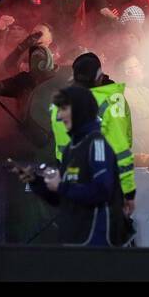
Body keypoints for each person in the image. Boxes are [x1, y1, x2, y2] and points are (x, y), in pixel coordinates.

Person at [22, 85, 129, 247]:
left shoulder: (96, 144)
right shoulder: (73, 147)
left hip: (94, 238)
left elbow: (101, 190)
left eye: (65, 111)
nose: (59, 116)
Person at [50, 52, 135, 213]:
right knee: (106, 232)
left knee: (77, 232)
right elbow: (121, 145)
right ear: (99, 75)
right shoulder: (113, 99)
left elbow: (61, 149)